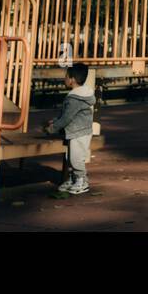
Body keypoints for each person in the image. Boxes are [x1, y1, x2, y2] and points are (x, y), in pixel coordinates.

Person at [42, 63, 96, 195]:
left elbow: (67, 118)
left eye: (66, 76)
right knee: (70, 157)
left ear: (72, 79)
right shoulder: (79, 95)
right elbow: (66, 115)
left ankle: (82, 181)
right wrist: (55, 121)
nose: (64, 79)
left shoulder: (74, 98)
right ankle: (73, 178)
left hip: (79, 132)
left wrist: (52, 128)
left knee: (76, 158)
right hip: (77, 131)